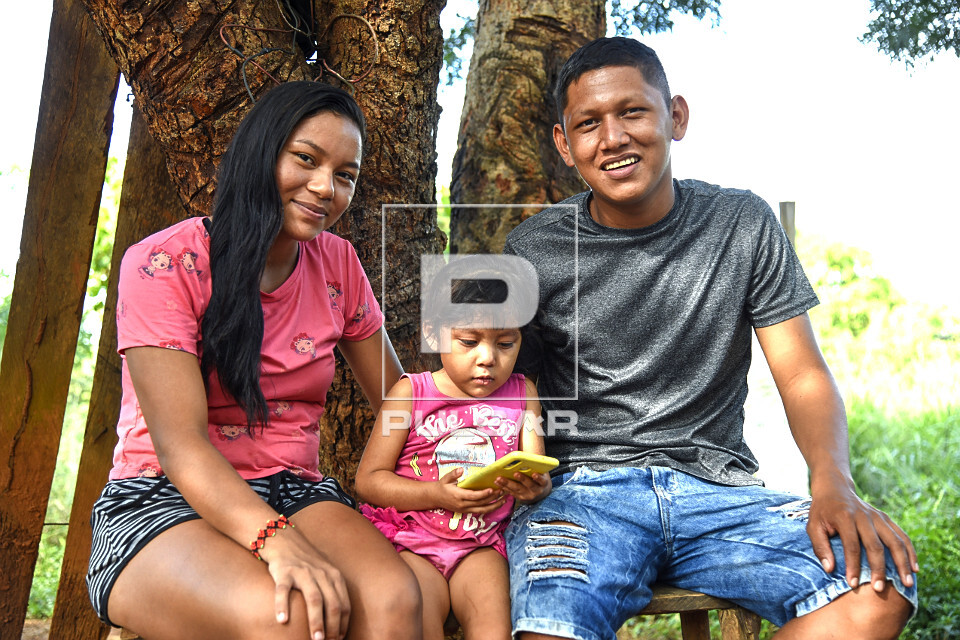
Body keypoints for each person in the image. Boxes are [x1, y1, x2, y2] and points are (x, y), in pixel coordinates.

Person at [502, 37, 919, 640]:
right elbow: (519, 388)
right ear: (566, 146)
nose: (613, 137)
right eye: (589, 123)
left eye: (633, 112)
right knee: (548, 629)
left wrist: (833, 481)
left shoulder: (742, 223)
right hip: (582, 495)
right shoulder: (534, 248)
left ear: (676, 116)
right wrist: (522, 461)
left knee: (879, 588)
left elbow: (800, 372)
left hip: (717, 493)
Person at [85, 81, 421, 640]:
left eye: (345, 175)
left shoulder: (336, 263)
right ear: (263, 150)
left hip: (293, 488)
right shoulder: (166, 265)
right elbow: (181, 446)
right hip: (162, 496)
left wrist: (471, 443)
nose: (324, 188)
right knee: (284, 616)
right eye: (307, 160)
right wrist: (278, 540)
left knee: (394, 602)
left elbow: (397, 397)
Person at [355, 275, 551, 640]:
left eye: (506, 343)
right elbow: (369, 479)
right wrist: (435, 494)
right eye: (469, 341)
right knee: (415, 623)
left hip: (484, 543)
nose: (488, 358)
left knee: (493, 629)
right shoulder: (410, 393)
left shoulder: (522, 392)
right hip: (413, 541)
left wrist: (533, 488)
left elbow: (537, 470)